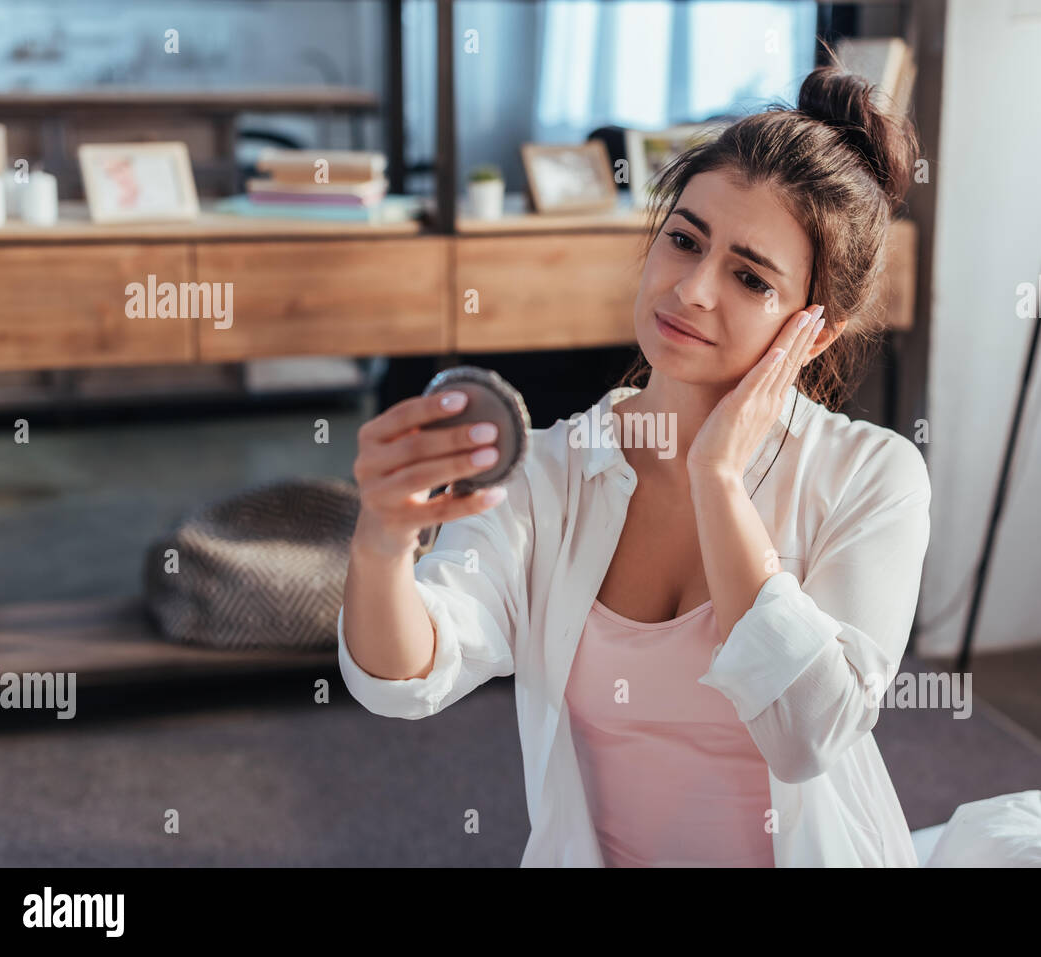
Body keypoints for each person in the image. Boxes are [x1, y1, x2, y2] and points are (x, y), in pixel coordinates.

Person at [339, 49, 931, 867]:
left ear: (814, 331)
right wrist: (380, 542)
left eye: (751, 279)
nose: (692, 288)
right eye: (684, 240)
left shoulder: (873, 476)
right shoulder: (553, 471)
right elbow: (405, 676)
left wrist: (717, 480)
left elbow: (804, 735)